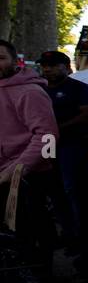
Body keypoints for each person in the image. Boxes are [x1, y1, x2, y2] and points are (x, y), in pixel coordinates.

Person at [0, 40, 60, 258]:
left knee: (32, 232)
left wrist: (19, 169)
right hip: (6, 174)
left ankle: (43, 282)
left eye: (1, 58)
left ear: (15, 61)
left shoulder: (30, 92)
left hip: (28, 176)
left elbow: (48, 137)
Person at [39, 51, 88, 251]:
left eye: (53, 65)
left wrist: (58, 128)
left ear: (66, 66)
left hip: (73, 145)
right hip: (47, 146)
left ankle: (84, 237)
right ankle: (68, 233)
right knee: (53, 190)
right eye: (45, 65)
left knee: (75, 190)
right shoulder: (39, 90)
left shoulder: (80, 88)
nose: (47, 69)